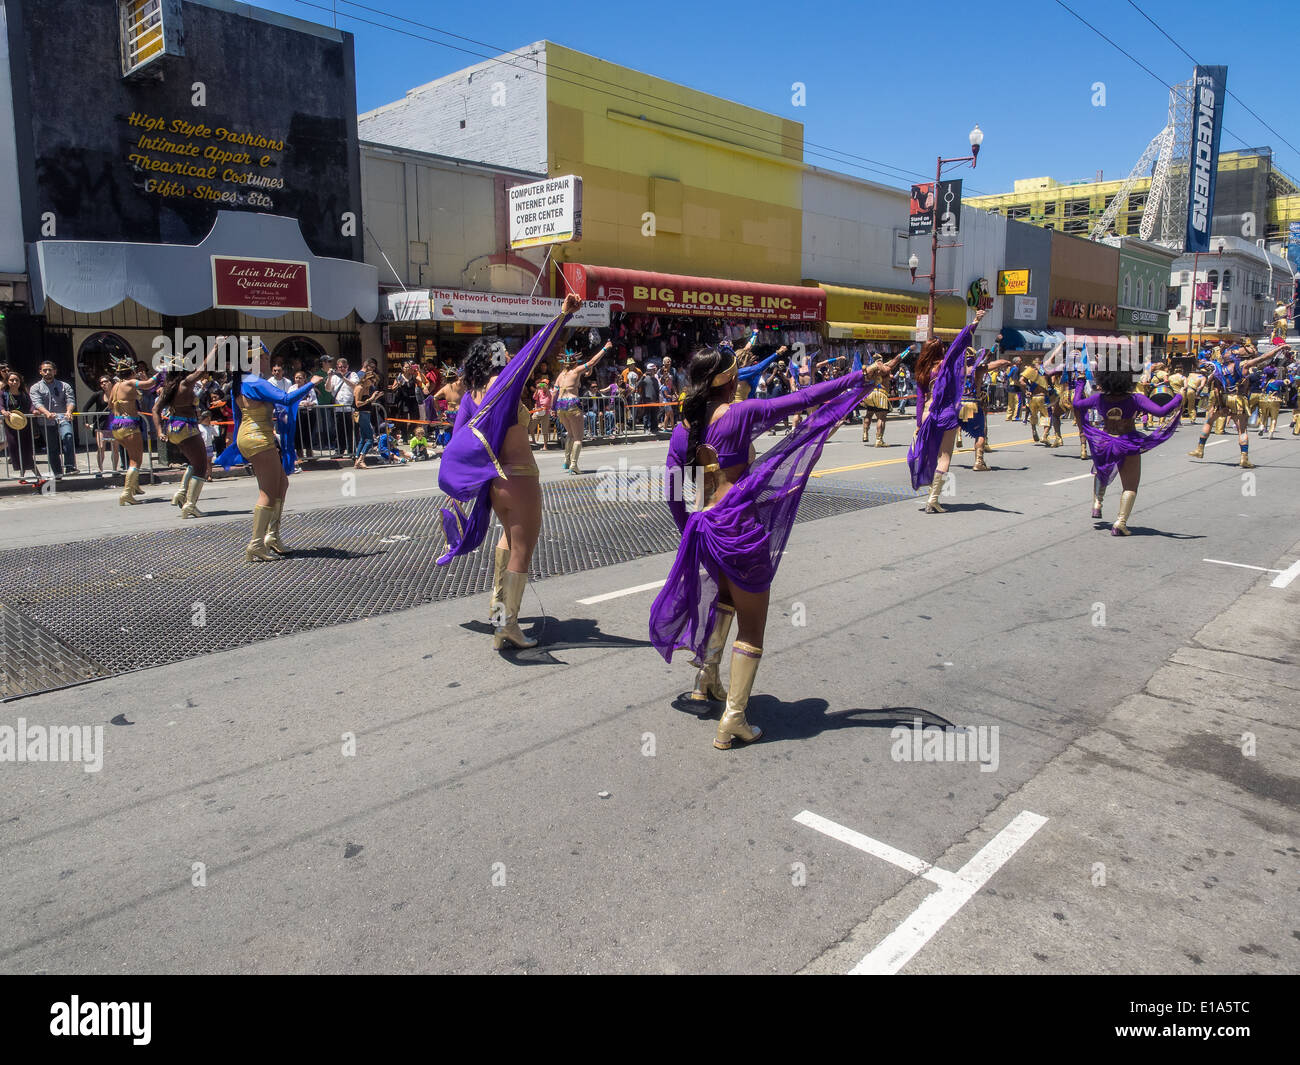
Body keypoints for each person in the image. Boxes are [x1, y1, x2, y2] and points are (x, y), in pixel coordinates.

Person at [649, 345, 897, 750]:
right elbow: (803, 398)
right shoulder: (742, 414)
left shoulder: (681, 429)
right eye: (736, 372)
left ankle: (705, 678)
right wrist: (860, 376)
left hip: (704, 530)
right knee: (752, 629)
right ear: (728, 381)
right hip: (738, 532)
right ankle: (733, 720)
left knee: (726, 598)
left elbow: (674, 493)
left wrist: (690, 535)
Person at [437, 296, 583, 650]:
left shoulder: (473, 394)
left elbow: (458, 441)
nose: (508, 359)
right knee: (522, 552)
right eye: (503, 354)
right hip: (518, 479)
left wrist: (458, 491)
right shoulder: (504, 386)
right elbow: (533, 353)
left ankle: (498, 611)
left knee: (507, 544)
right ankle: (507, 625)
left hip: (495, 486)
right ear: (497, 359)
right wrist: (562, 316)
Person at [216, 344, 323, 561]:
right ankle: (256, 544)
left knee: (281, 483)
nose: (269, 362)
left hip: (252, 437)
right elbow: (285, 399)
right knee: (268, 491)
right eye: (264, 358)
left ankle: (272, 536)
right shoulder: (254, 382)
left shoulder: (242, 383)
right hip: (258, 439)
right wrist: (310, 384)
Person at [1073, 370, 1182, 536]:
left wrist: (1080, 383)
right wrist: (1179, 397)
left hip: (1105, 441)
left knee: (1102, 470)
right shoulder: (1136, 398)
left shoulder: (1099, 398)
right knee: (1130, 486)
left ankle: (1097, 503)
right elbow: (1161, 412)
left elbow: (1076, 404)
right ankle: (1120, 524)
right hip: (1128, 442)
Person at [905, 309, 988, 512]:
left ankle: (930, 492)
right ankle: (933, 499)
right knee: (944, 457)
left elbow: (920, 400)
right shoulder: (946, 366)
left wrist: (918, 424)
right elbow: (960, 344)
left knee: (927, 452)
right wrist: (974, 322)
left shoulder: (922, 371)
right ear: (941, 351)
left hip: (926, 413)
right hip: (946, 413)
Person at [1187, 342, 1280, 468]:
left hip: (1223, 398)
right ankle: (1244, 458)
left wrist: (1221, 406)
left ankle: (1199, 449)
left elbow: (1216, 389)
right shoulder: (1243, 367)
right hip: (1238, 399)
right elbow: (1263, 358)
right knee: (1242, 430)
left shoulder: (1218, 369)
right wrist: (1279, 348)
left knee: (1209, 422)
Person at [157, 343, 222, 518]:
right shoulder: (185, 383)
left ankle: (181, 493)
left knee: (194, 462)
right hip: (187, 428)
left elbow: (156, 410)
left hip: (173, 428)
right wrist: (216, 347)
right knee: (201, 466)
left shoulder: (168, 389)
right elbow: (203, 369)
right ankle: (191, 505)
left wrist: (159, 431)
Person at [553, 333, 613, 473]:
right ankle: (574, 464)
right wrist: (605, 348)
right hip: (572, 403)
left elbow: (554, 392)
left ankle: (566, 461)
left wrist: (552, 408)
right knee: (578, 438)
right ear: (575, 362)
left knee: (570, 434)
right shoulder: (576, 370)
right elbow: (592, 362)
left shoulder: (561, 375)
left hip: (560, 405)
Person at [107, 358, 160, 505]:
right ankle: (126, 493)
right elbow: (149, 384)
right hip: (129, 425)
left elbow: (110, 404)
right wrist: (160, 372)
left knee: (134, 456)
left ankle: (134, 486)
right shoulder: (129, 383)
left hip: (116, 426)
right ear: (131, 373)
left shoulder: (115, 386)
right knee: (135, 460)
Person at [958, 347, 1012, 471]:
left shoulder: (957, 371)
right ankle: (979, 461)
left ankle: (945, 452)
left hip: (959, 404)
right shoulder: (978, 370)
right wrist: (1007, 362)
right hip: (972, 403)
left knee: (956, 427)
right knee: (980, 434)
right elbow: (998, 363)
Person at [29, 360, 77, 477]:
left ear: (54, 371)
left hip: (63, 418)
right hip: (46, 421)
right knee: (52, 448)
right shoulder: (35, 387)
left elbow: (70, 400)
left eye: (50, 370)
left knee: (68, 437)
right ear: (40, 372)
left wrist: (69, 411)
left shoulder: (64, 385)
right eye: (44, 370)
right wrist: (46, 413)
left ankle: (70, 467)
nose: (47, 372)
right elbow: (37, 402)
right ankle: (57, 473)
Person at [2, 370, 43, 484]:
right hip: (11, 427)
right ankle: (37, 477)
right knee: (16, 450)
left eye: (17, 380)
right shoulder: (3, 393)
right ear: (7, 381)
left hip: (25, 425)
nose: (14, 382)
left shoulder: (24, 393)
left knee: (26, 450)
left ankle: (25, 477)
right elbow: (0, 405)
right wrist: (3, 411)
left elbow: (31, 405)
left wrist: (34, 410)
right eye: (11, 380)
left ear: (20, 382)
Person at [85, 373, 118, 478]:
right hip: (101, 424)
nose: (103, 384)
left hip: (115, 423)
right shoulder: (98, 395)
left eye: (106, 382)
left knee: (115, 448)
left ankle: (115, 470)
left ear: (111, 383)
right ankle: (100, 470)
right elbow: (85, 408)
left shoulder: (117, 393)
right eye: (101, 383)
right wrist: (85, 421)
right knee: (101, 447)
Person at [860, 352, 894, 448]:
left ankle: (865, 433)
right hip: (881, 395)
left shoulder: (870, 369)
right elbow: (892, 365)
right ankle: (879, 440)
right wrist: (907, 350)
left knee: (869, 414)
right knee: (881, 418)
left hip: (871, 394)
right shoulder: (883, 369)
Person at [353, 370, 380, 469]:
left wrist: (374, 398)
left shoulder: (366, 388)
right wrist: (371, 398)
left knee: (363, 438)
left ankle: (357, 460)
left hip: (366, 414)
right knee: (370, 439)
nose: (373, 384)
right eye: (372, 381)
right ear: (367, 379)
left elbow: (367, 403)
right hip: (361, 414)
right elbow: (358, 403)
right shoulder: (359, 388)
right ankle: (361, 459)